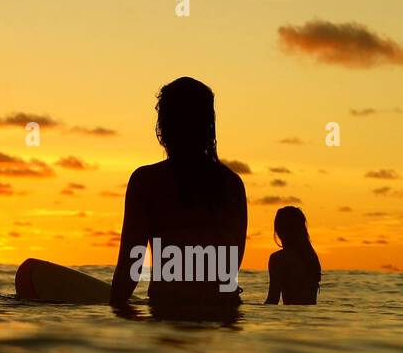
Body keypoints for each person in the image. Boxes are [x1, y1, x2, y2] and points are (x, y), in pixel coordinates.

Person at [110, 77, 247, 311]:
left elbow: (129, 268)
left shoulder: (146, 182)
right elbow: (230, 267)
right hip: (224, 320)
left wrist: (112, 316)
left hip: (168, 313)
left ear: (163, 126)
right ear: (209, 125)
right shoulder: (232, 183)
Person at [264, 205, 321, 305]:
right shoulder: (311, 258)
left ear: (278, 231)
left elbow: (272, 300)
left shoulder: (278, 259)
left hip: (291, 318)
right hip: (312, 319)